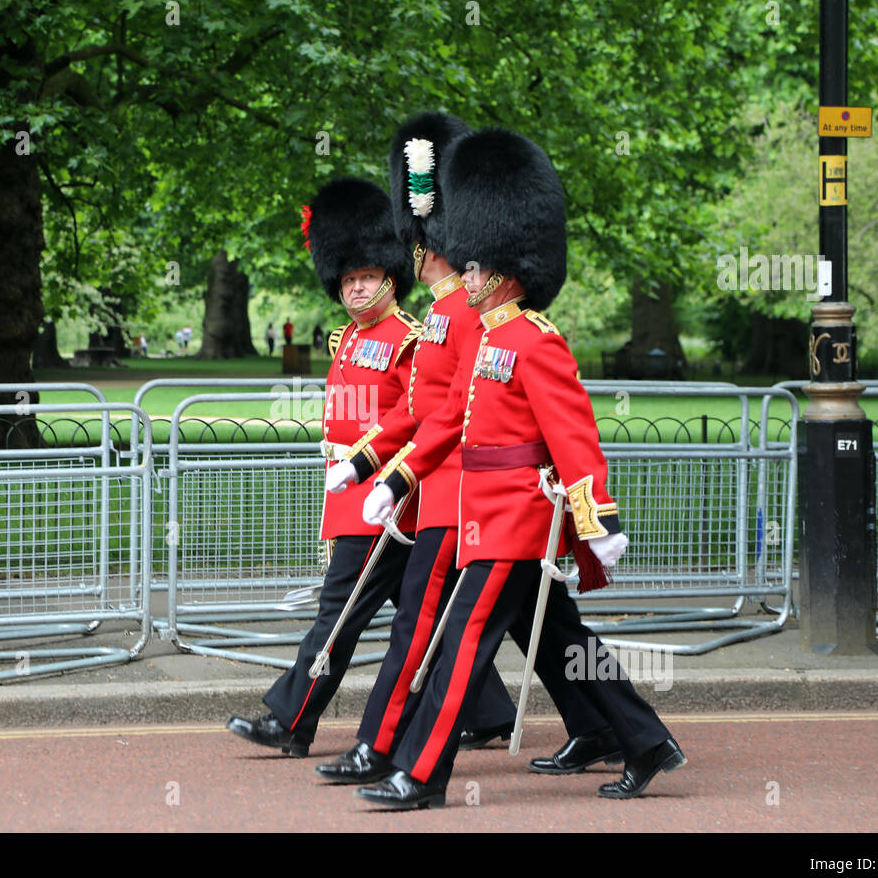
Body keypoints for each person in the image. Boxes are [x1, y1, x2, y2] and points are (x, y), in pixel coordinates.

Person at [354, 129, 684, 809]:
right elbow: (448, 422)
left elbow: (573, 437)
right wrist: (395, 478)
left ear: (503, 270)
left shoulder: (535, 343)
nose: (463, 277)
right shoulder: (491, 338)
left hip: (518, 518)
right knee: (556, 635)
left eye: (474, 269)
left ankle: (419, 775)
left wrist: (597, 519)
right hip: (485, 514)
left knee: (463, 642)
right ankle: (642, 739)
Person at [315, 112, 526, 785]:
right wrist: (378, 468)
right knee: (458, 629)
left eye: (423, 240)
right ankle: (624, 729)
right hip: (439, 490)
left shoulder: (470, 314)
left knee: (432, 629)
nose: (419, 251)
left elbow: (454, 416)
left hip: (469, 495)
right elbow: (424, 413)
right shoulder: (444, 311)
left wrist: (392, 474)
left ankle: (389, 751)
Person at [225, 177, 420, 758]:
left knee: (336, 618)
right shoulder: (343, 340)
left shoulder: (407, 340)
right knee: (421, 617)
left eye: (368, 277)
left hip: (384, 501)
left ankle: (291, 721)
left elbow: (412, 419)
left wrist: (373, 476)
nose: (357, 288)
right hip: (347, 497)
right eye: (349, 278)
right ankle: (486, 711)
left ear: (391, 277)